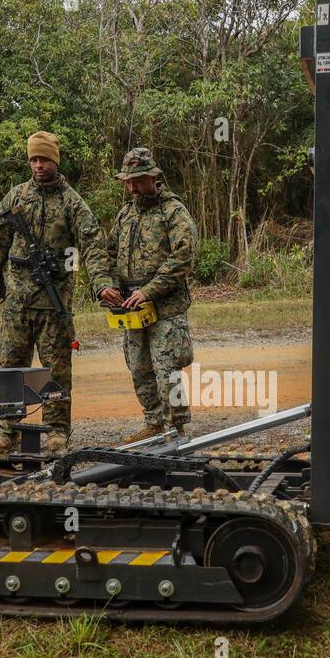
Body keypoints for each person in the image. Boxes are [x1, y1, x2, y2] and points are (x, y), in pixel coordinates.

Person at [0, 131, 111, 455]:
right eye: (34, 159)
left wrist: (102, 282)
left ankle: (57, 432)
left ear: (55, 160)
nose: (39, 165)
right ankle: (5, 430)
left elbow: (92, 242)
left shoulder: (71, 202)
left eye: (44, 159)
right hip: (17, 303)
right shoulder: (16, 198)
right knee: (10, 367)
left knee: (56, 371)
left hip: (54, 303)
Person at [96, 147, 198, 443]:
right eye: (128, 182)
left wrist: (149, 290)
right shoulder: (126, 214)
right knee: (139, 367)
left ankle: (176, 428)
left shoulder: (173, 211)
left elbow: (184, 256)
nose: (132, 188)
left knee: (167, 369)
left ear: (154, 177)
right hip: (131, 307)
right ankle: (154, 423)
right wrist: (109, 285)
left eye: (138, 181)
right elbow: (109, 253)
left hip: (165, 306)